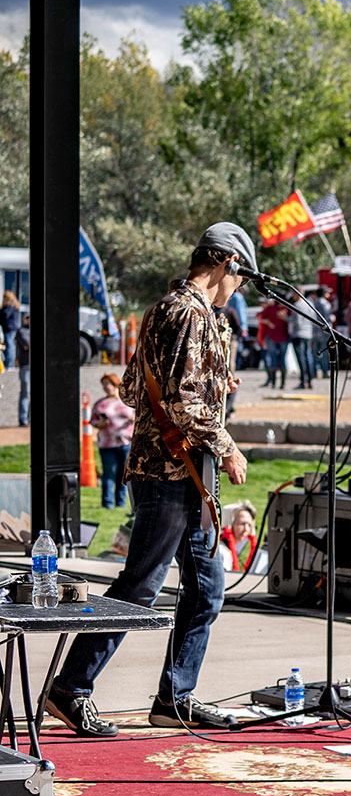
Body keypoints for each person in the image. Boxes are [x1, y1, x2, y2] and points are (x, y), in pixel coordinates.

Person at [43, 222, 255, 738]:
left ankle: (175, 698)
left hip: (183, 470)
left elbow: (136, 387)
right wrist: (226, 444)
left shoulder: (172, 308)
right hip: (170, 473)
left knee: (206, 590)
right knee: (139, 586)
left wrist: (213, 379)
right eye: (240, 277)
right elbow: (179, 401)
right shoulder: (187, 311)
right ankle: (70, 689)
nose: (240, 289)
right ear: (226, 262)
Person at [90, 372, 136, 509]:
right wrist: (99, 423)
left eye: (108, 384)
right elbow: (93, 420)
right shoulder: (100, 404)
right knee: (109, 473)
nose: (106, 387)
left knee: (123, 475)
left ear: (116, 384)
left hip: (126, 442)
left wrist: (134, 421)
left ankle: (121, 503)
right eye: (104, 384)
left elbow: (138, 416)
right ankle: (107, 502)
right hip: (107, 443)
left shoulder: (127, 402)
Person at [258, 297, 289, 388]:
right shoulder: (286, 309)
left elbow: (258, 316)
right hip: (284, 336)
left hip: (272, 336)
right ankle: (283, 384)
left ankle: (274, 382)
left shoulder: (271, 308)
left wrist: (267, 322)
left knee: (273, 359)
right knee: (282, 360)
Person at [220, 502, 258, 572]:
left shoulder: (229, 547)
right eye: (242, 524)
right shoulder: (223, 553)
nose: (246, 529)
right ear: (229, 525)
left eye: (249, 525)